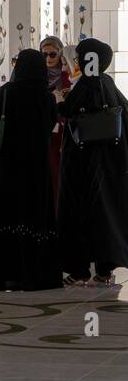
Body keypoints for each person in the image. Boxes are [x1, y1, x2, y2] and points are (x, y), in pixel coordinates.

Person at [0, 49, 61, 292]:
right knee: (33, 216)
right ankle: (33, 275)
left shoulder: (5, 93)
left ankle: (0, 276)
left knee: (4, 215)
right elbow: (51, 125)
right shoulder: (46, 97)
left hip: (6, 169)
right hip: (35, 169)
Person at [56, 37, 128, 286]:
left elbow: (67, 111)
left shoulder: (86, 84)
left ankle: (78, 271)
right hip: (107, 164)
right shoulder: (107, 82)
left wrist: (58, 101)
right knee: (104, 213)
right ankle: (104, 270)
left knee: (77, 214)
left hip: (81, 163)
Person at [39, 34, 72, 205]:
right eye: (44, 55)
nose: (48, 58)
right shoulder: (38, 75)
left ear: (60, 54)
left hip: (63, 128)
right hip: (45, 129)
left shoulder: (66, 74)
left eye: (52, 54)